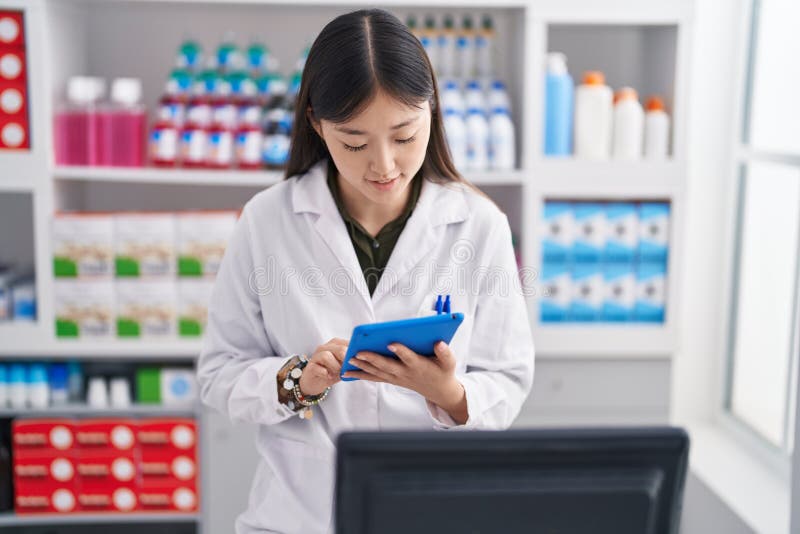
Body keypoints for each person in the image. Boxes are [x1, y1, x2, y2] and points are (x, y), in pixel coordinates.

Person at [197, 8, 534, 534]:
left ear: (432, 111)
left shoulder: (480, 225)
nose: (383, 165)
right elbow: (220, 371)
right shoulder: (267, 220)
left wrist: (447, 394)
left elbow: (509, 377)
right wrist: (297, 381)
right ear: (315, 123)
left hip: (430, 509)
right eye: (354, 142)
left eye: (404, 136)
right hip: (299, 516)